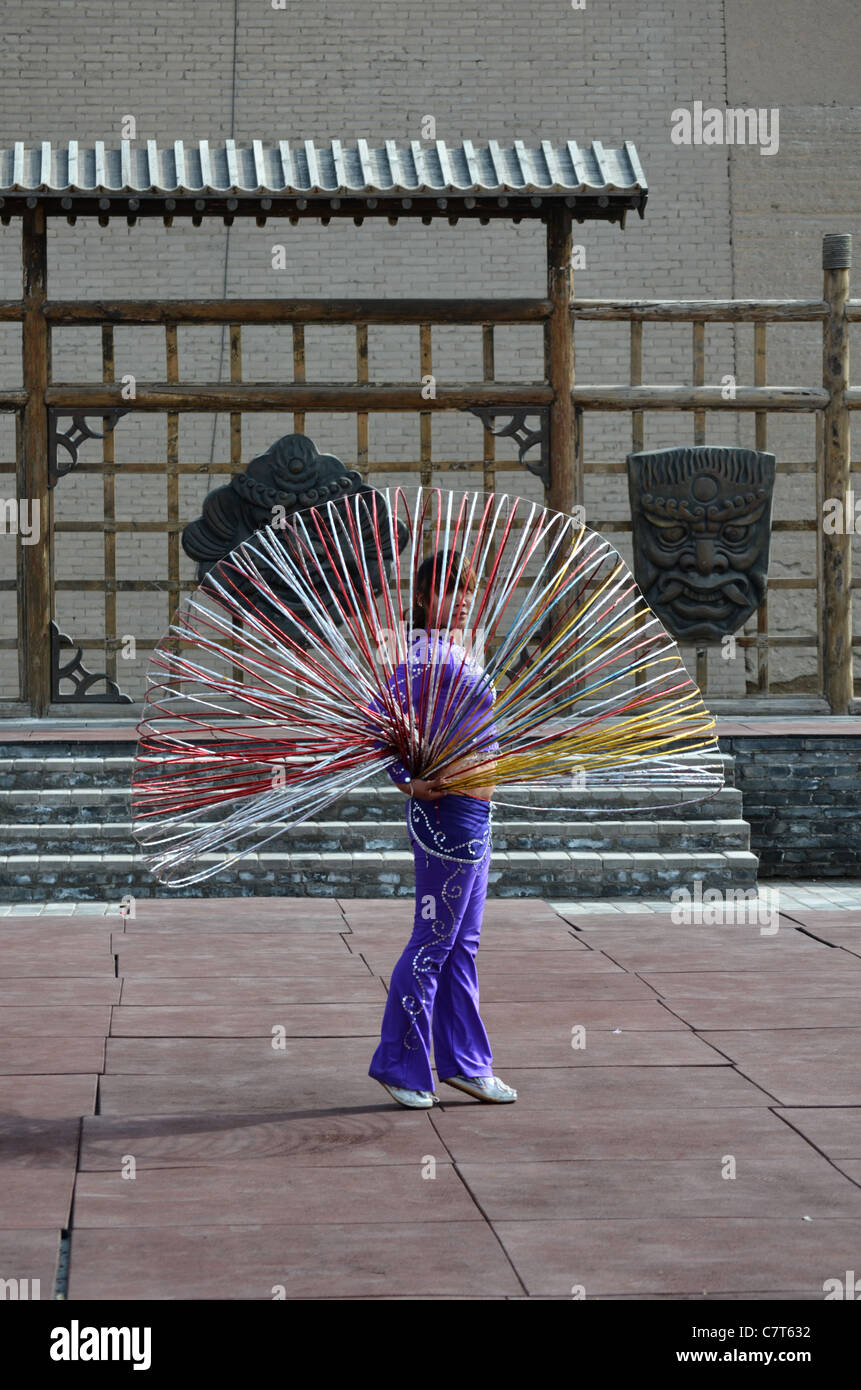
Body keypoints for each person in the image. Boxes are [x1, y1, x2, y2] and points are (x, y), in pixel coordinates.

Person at [364, 547, 517, 1110]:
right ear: (426, 595)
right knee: (433, 942)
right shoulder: (421, 657)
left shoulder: (459, 652)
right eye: (450, 590)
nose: (461, 600)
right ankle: (400, 1063)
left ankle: (465, 1064)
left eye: (468, 591)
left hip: (477, 813)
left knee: (462, 946)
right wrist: (407, 782)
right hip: (446, 816)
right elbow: (381, 723)